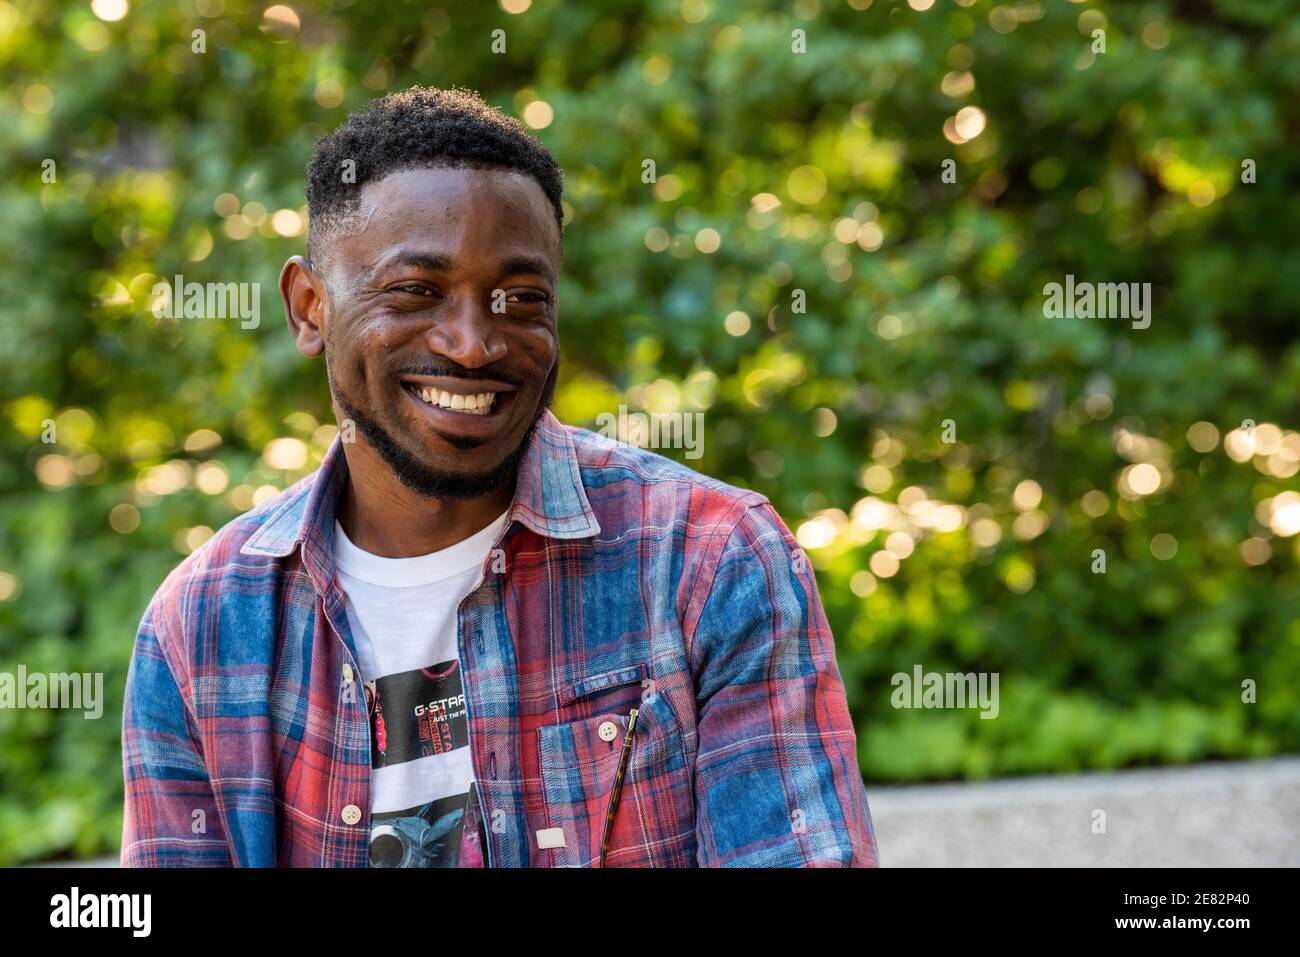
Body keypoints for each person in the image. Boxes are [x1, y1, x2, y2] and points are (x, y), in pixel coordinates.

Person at [121, 86, 878, 867]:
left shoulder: (711, 563)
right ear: (310, 308)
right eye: (417, 290)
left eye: (519, 298)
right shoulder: (203, 628)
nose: (474, 343)